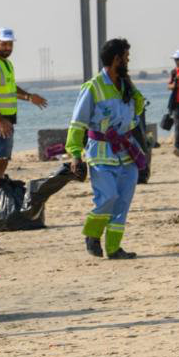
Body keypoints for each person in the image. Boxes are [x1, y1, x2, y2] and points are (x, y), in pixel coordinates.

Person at [66, 38, 149, 260]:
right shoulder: (92, 87)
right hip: (101, 153)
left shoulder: (126, 85)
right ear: (116, 59)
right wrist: (75, 155)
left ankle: (114, 248)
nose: (128, 62)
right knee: (108, 197)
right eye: (126, 58)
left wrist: (131, 87)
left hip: (127, 153)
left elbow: (138, 110)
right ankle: (92, 234)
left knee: (122, 203)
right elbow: (77, 124)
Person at [0, 28, 48, 202]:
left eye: (10, 44)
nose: (7, 48)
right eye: (4, 44)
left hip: (5, 122)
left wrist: (29, 97)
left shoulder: (6, 64)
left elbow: (10, 89)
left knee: (2, 162)